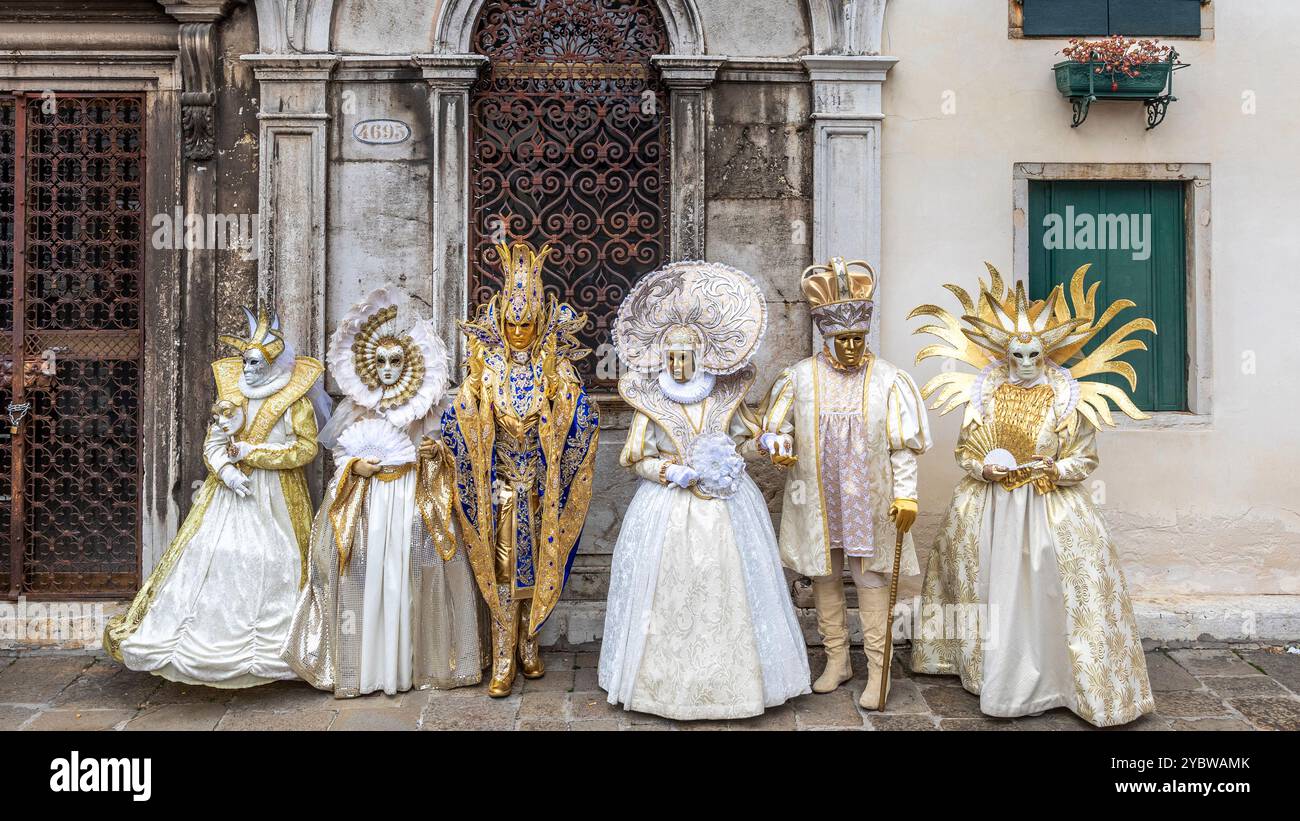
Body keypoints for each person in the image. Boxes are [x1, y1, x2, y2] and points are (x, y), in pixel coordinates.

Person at [909, 264, 1155, 726]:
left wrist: (1054, 468)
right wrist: (982, 467)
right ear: (1004, 355)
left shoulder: (1068, 400)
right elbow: (965, 449)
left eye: (1033, 356)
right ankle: (990, 672)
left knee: (1054, 590)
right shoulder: (985, 396)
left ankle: (1057, 679)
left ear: (1047, 354)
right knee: (989, 586)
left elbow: (1085, 460)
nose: (1024, 364)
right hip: (989, 507)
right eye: (1016, 355)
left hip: (1049, 508)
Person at [599, 260, 810, 720]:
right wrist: (666, 472)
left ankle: (733, 685)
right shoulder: (650, 401)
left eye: (684, 357)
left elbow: (744, 446)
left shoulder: (724, 396)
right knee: (672, 596)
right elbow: (633, 458)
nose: (676, 365)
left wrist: (767, 443)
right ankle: (665, 686)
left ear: (699, 357)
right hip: (668, 512)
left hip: (730, 509)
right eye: (670, 356)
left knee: (729, 595)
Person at [104, 307, 328, 687]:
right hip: (226, 495)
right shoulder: (233, 396)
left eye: (256, 363)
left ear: (272, 365)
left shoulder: (296, 403)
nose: (250, 369)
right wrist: (226, 470)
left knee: (277, 558)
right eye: (246, 362)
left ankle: (284, 647)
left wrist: (250, 455)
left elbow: (305, 450)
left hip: (277, 496)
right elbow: (214, 442)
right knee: (214, 557)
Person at [283, 287, 483, 697]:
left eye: (396, 360)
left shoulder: (426, 407)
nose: (388, 368)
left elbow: (444, 449)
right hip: (369, 500)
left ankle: (413, 663)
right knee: (363, 568)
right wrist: (356, 465)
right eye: (381, 362)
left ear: (408, 363)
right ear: (369, 366)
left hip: (412, 497)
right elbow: (342, 455)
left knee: (415, 568)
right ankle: (367, 664)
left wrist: (432, 452)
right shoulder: (358, 408)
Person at [757, 257, 931, 710]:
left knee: (870, 576)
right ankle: (838, 661)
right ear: (826, 337)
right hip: (819, 496)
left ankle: (878, 670)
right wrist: (777, 444)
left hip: (868, 501)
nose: (851, 348)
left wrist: (906, 495)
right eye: (842, 340)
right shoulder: (799, 378)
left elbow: (902, 447)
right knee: (826, 573)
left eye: (858, 339)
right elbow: (773, 427)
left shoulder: (889, 381)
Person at [441, 239, 599, 697]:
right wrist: (472, 405)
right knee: (502, 570)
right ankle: (504, 652)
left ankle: (530, 643)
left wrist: (559, 398)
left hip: (540, 490)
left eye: (525, 325)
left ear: (538, 322)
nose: (516, 333)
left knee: (539, 566)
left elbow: (582, 418)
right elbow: (460, 416)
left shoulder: (557, 365)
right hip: (499, 489)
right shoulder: (485, 366)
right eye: (510, 324)